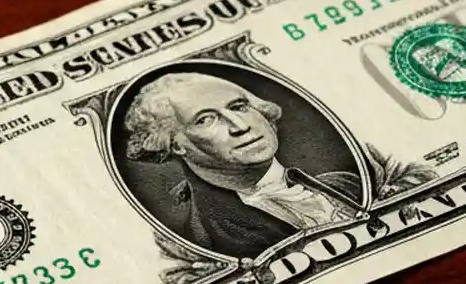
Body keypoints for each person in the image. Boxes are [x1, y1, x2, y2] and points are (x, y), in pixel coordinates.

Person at [123, 72, 365, 259]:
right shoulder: (211, 239)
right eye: (206, 120)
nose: (240, 126)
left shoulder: (346, 184)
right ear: (174, 144)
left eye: (238, 107)